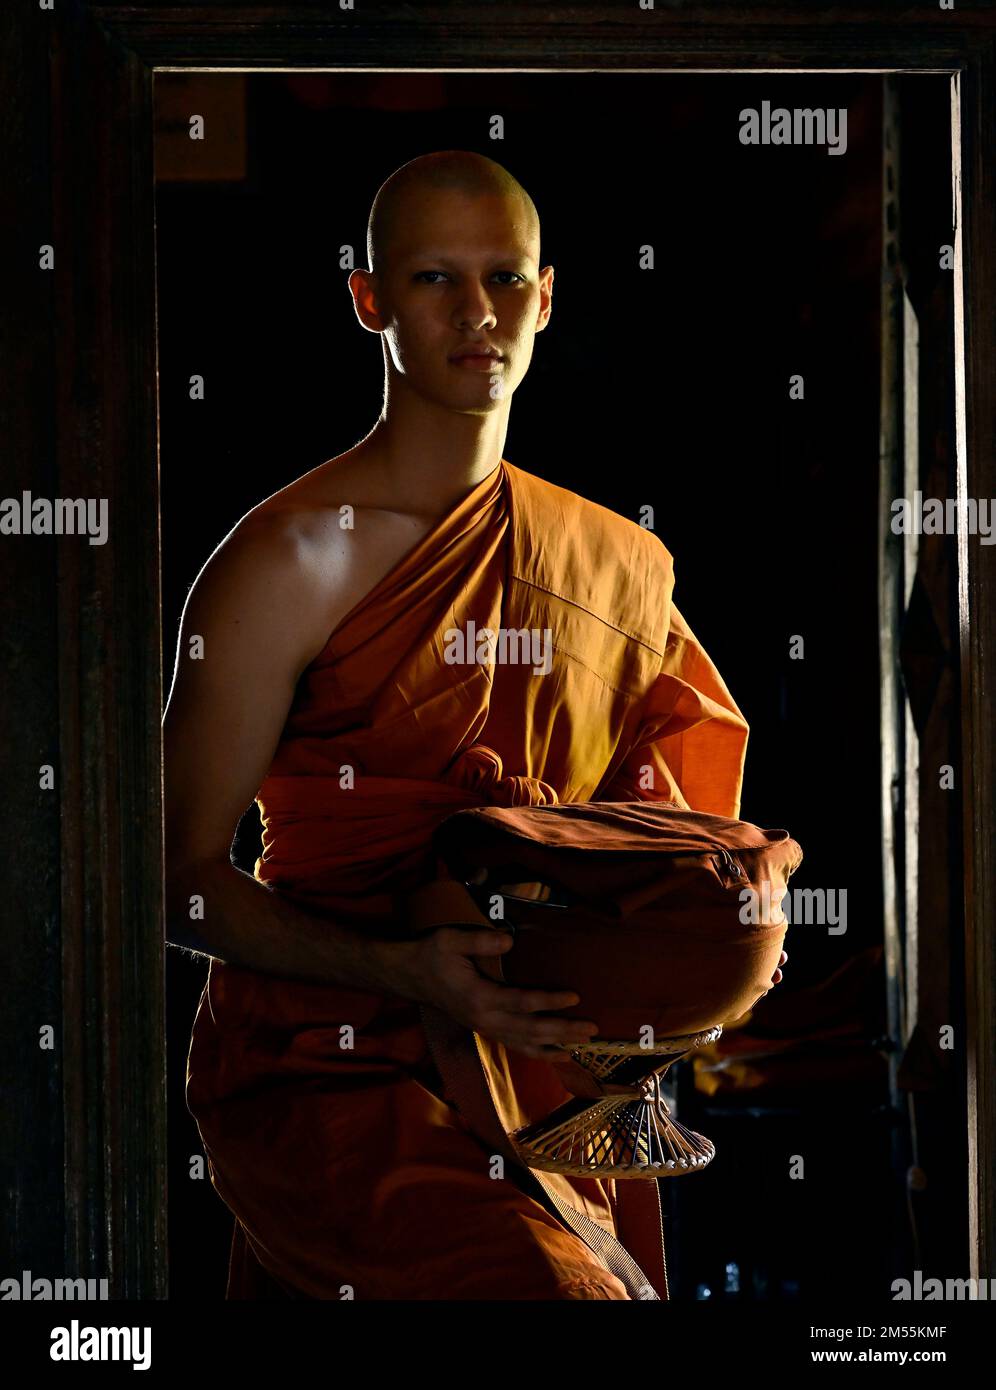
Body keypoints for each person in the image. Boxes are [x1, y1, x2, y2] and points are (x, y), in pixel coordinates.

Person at [164, 149, 787, 1300]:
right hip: (326, 1065)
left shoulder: (612, 564)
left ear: (547, 298)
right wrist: (403, 968)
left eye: (505, 279)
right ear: (367, 299)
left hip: (542, 1062)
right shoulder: (290, 559)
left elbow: (664, 836)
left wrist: (720, 934)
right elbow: (174, 879)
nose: (478, 315)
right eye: (434, 281)